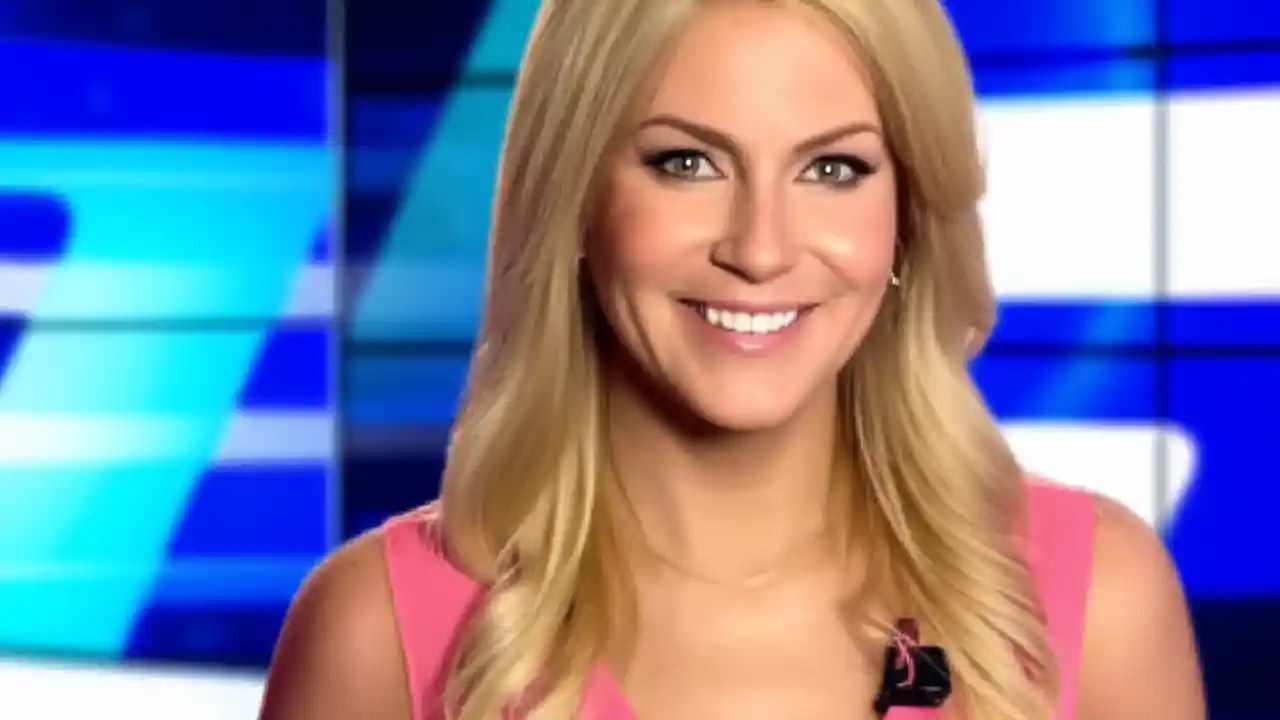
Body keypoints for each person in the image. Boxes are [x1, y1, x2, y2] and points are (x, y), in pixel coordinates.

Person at [259, 0, 1206, 718]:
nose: (761, 249)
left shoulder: (1099, 600)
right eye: (687, 163)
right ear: (575, 201)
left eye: (834, 169)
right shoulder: (373, 635)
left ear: (909, 218)